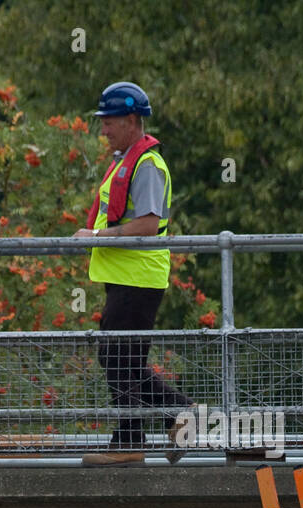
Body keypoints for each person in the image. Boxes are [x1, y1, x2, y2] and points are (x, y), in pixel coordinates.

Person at [72, 81, 191, 466]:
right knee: (121, 359)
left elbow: (148, 224)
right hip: (127, 279)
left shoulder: (147, 165)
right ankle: (175, 417)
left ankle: (132, 440)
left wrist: (95, 236)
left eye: (109, 121)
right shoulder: (127, 161)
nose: (103, 129)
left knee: (118, 358)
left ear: (131, 120)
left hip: (138, 279)